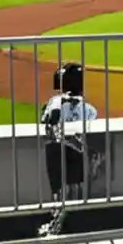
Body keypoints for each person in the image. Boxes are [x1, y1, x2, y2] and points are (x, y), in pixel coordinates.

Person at [42, 63, 101, 201]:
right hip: (80, 160)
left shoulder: (53, 103)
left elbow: (45, 122)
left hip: (56, 160)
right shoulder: (90, 110)